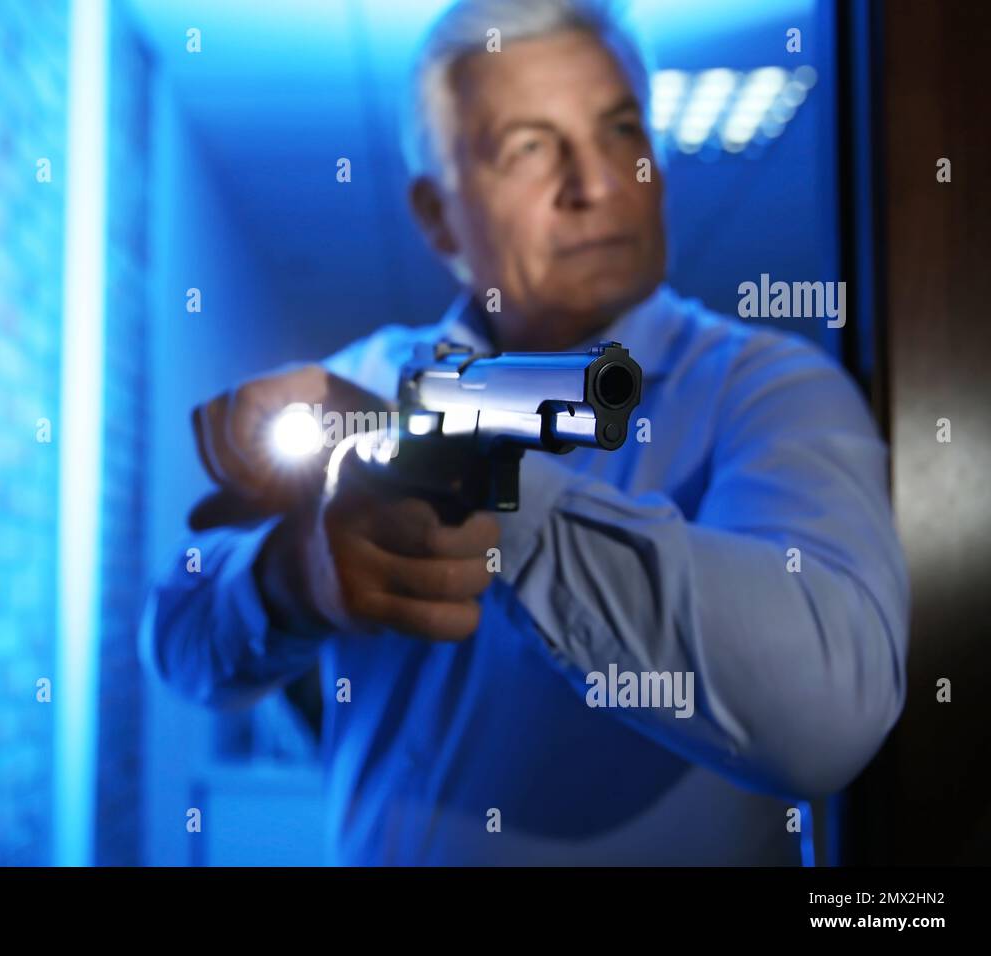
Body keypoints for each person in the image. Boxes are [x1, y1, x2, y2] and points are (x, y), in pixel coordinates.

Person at [139, 0, 909, 864]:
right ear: (436, 216)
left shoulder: (769, 389)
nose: (595, 183)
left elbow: (830, 717)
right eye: (530, 148)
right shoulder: (359, 381)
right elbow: (177, 642)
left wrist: (468, 479)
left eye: (620, 131)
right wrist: (294, 578)